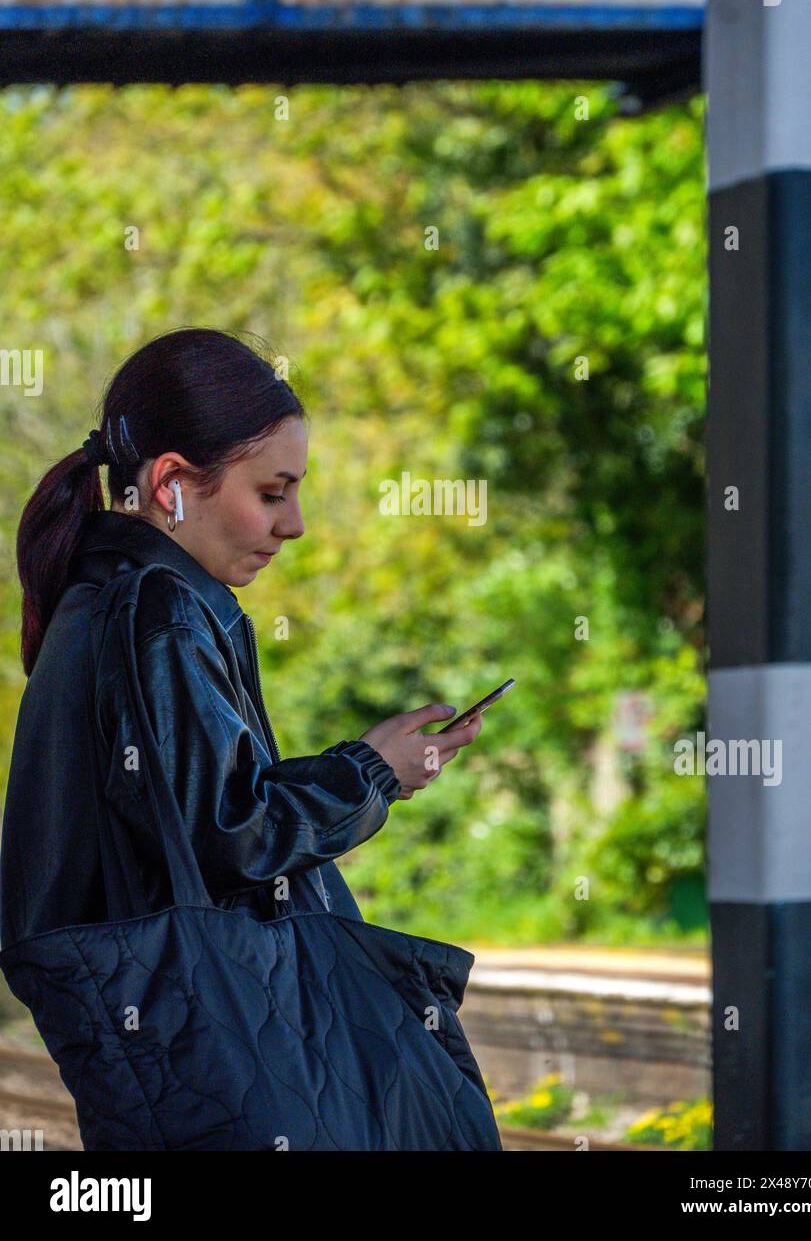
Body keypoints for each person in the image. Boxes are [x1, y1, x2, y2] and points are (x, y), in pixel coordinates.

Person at [0, 326, 493, 1149]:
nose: (294, 524)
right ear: (171, 485)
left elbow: (193, 818)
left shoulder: (105, 598)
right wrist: (372, 774)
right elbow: (233, 832)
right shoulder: (157, 609)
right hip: (211, 1033)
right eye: (273, 492)